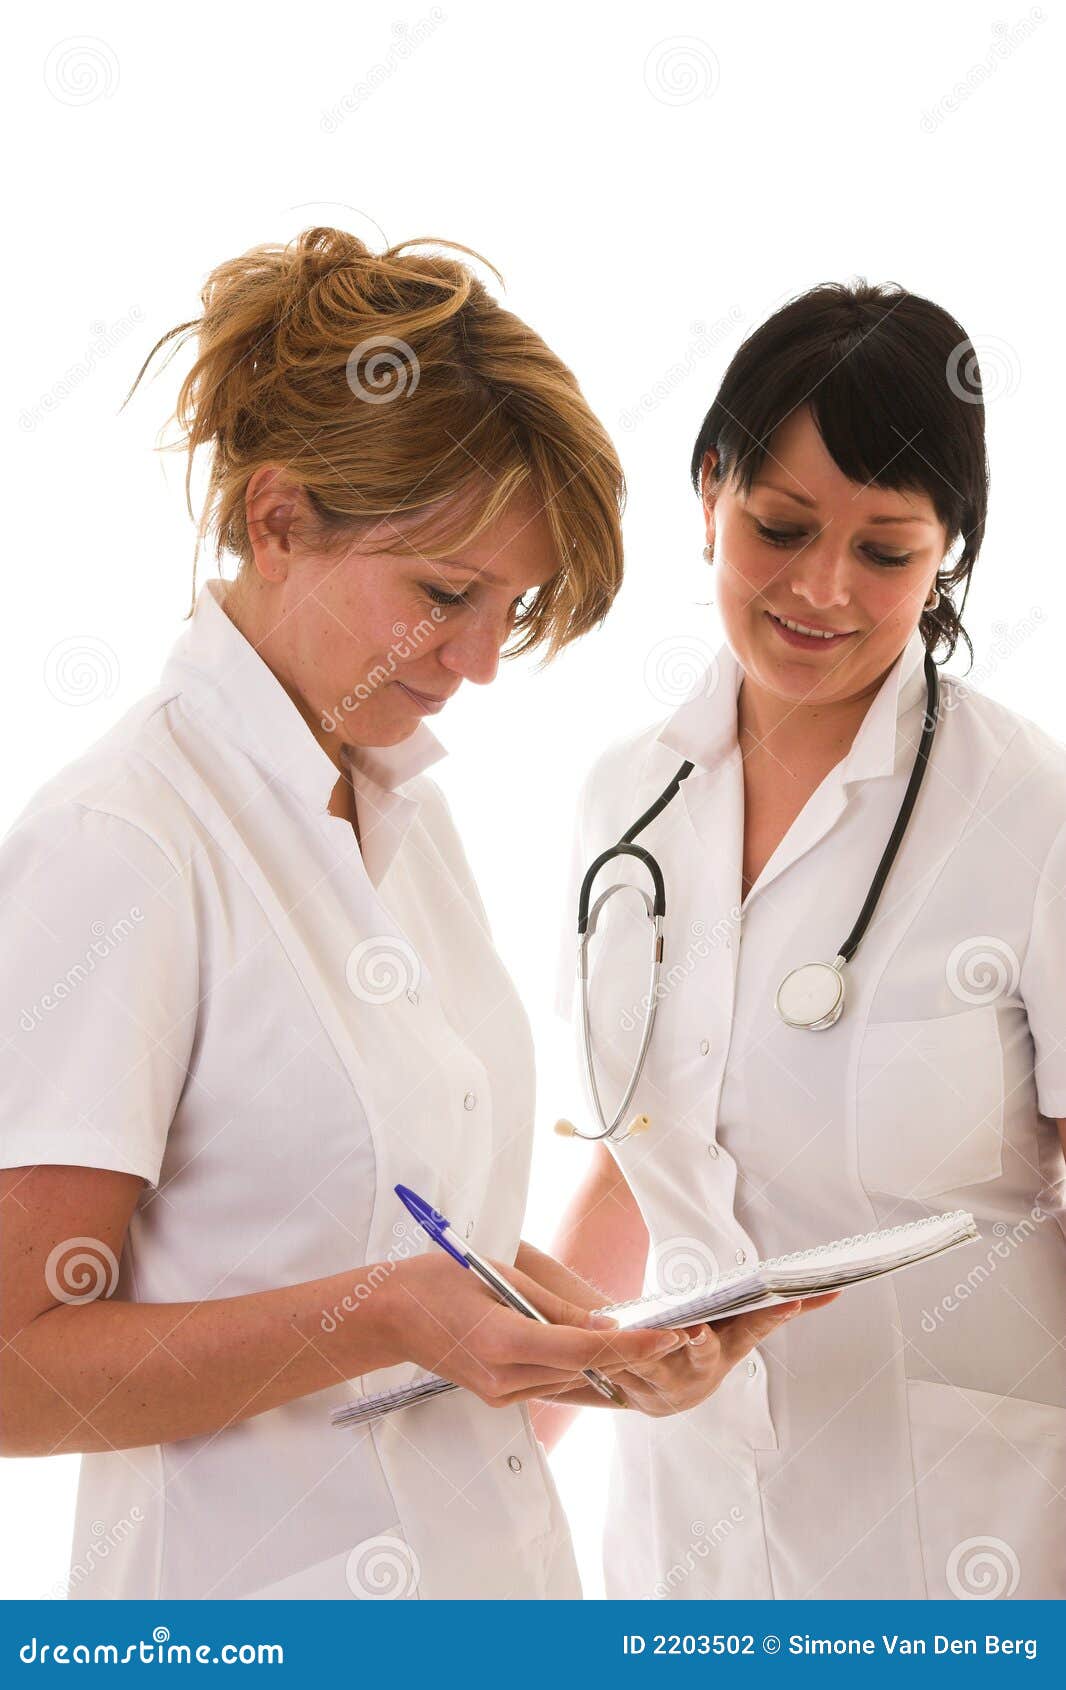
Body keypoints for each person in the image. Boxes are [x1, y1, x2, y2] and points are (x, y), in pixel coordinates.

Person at [0, 227, 812, 1602]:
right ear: (276, 516)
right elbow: (16, 1365)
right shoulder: (124, 841)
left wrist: (583, 1332)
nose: (483, 662)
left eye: (513, 606)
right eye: (444, 595)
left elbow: (390, 1218)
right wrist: (381, 1317)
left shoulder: (395, 807)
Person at [554, 281, 1066, 1600]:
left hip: (959, 1542)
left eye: (886, 552)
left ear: (948, 551)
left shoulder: (1027, 812)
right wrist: (537, 1392)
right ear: (708, 486)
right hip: (684, 1546)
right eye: (777, 527)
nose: (820, 590)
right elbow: (658, 1143)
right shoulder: (631, 796)